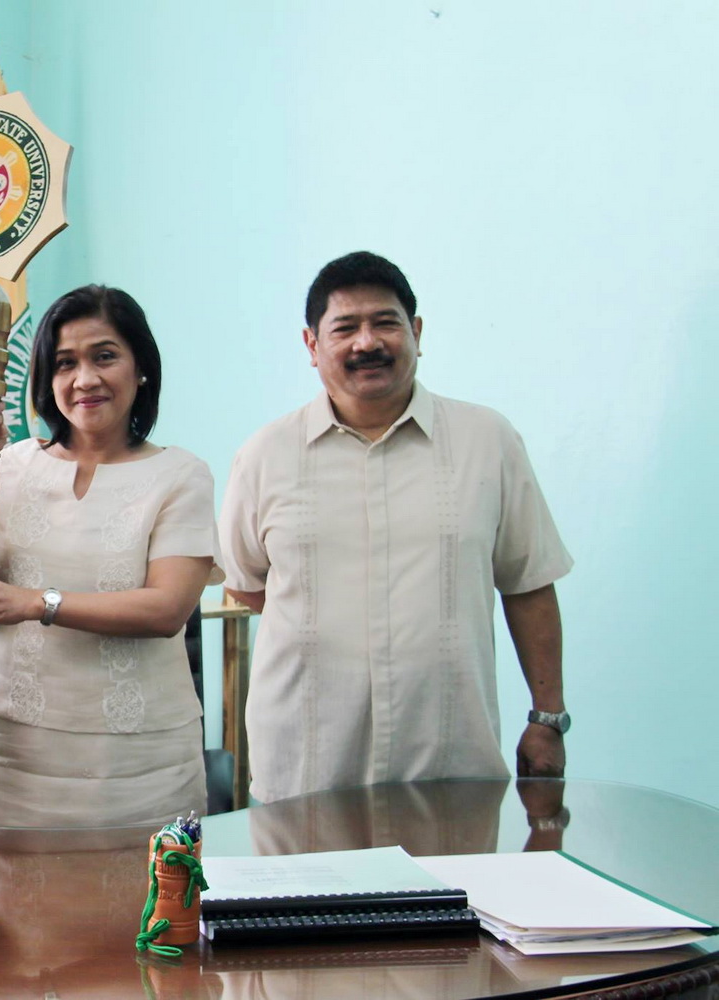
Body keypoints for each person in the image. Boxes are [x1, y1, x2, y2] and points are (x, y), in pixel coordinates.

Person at [217, 251, 573, 803]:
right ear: (312, 347)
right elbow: (244, 583)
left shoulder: (487, 441)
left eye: (385, 322)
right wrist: (332, 624)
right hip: (308, 762)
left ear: (417, 332)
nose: (367, 343)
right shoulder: (266, 455)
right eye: (345, 328)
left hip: (451, 759)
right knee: (313, 890)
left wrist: (548, 718)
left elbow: (528, 583)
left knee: (462, 889)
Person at [0, 285, 218, 828]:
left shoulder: (181, 475)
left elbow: (166, 611)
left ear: (141, 368)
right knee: (7, 906)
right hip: (10, 749)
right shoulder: (12, 464)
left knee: (142, 909)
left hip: (138, 762)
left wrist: (34, 603)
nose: (84, 379)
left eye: (104, 356)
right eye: (65, 363)